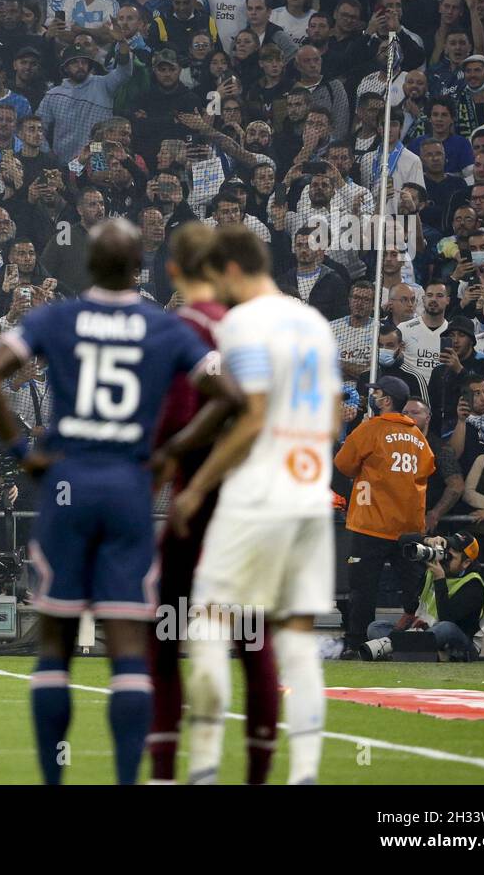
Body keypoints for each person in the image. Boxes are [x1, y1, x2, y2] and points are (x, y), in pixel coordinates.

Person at [0, 218, 241, 785]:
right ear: (139, 270)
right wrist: (170, 448)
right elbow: (228, 396)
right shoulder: (162, 326)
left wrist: (25, 450)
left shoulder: (56, 317)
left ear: (88, 267)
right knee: (127, 642)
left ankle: (54, 779)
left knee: (55, 643)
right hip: (127, 485)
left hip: (68, 482)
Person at [169, 224, 340, 786]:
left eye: (221, 279)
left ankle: (205, 764)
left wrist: (198, 485)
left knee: (211, 623)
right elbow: (335, 416)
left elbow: (255, 413)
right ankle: (307, 773)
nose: (220, 292)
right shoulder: (315, 324)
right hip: (312, 497)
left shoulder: (245, 323)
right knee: (295, 636)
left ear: (233, 269)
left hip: (257, 495)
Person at [145, 222, 278, 786]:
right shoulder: (256, 330)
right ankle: (257, 775)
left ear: (174, 271)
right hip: (258, 505)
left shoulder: (179, 332)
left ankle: (166, 773)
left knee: (165, 638)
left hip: (198, 509)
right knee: (254, 642)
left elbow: (168, 427)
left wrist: (163, 483)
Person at [332, 376, 436, 656]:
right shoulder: (417, 436)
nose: (373, 397)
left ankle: (357, 643)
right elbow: (427, 469)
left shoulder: (372, 429)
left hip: (372, 524)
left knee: (362, 590)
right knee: (414, 590)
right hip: (408, 527)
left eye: (376, 393)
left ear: (387, 400)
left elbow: (342, 464)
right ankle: (420, 640)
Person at [364, 532, 484, 661]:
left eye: (450, 557)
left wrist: (440, 579)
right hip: (422, 633)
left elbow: (448, 619)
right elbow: (402, 540)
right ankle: (420, 653)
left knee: (446, 628)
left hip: (457, 644)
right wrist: (428, 541)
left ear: (466, 562)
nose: (443, 559)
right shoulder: (432, 568)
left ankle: (398, 651)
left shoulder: (473, 584)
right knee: (375, 627)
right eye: (444, 552)